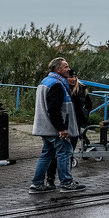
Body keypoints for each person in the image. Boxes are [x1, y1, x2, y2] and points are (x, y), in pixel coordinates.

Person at [29, 57, 85, 193]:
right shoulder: (57, 84)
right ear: (58, 69)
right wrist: (62, 128)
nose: (69, 69)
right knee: (65, 152)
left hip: (45, 127)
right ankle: (66, 183)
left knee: (47, 154)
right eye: (66, 67)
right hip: (54, 129)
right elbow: (54, 110)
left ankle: (37, 184)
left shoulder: (45, 81)